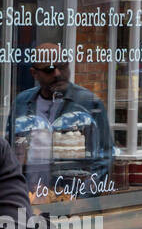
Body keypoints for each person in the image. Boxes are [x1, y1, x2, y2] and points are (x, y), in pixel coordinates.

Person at [9, 43, 113, 191]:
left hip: (73, 198)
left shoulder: (89, 103)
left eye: (62, 66)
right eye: (49, 69)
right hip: (30, 198)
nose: (57, 73)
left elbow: (105, 157)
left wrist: (84, 199)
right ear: (34, 73)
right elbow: (10, 154)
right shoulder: (22, 102)